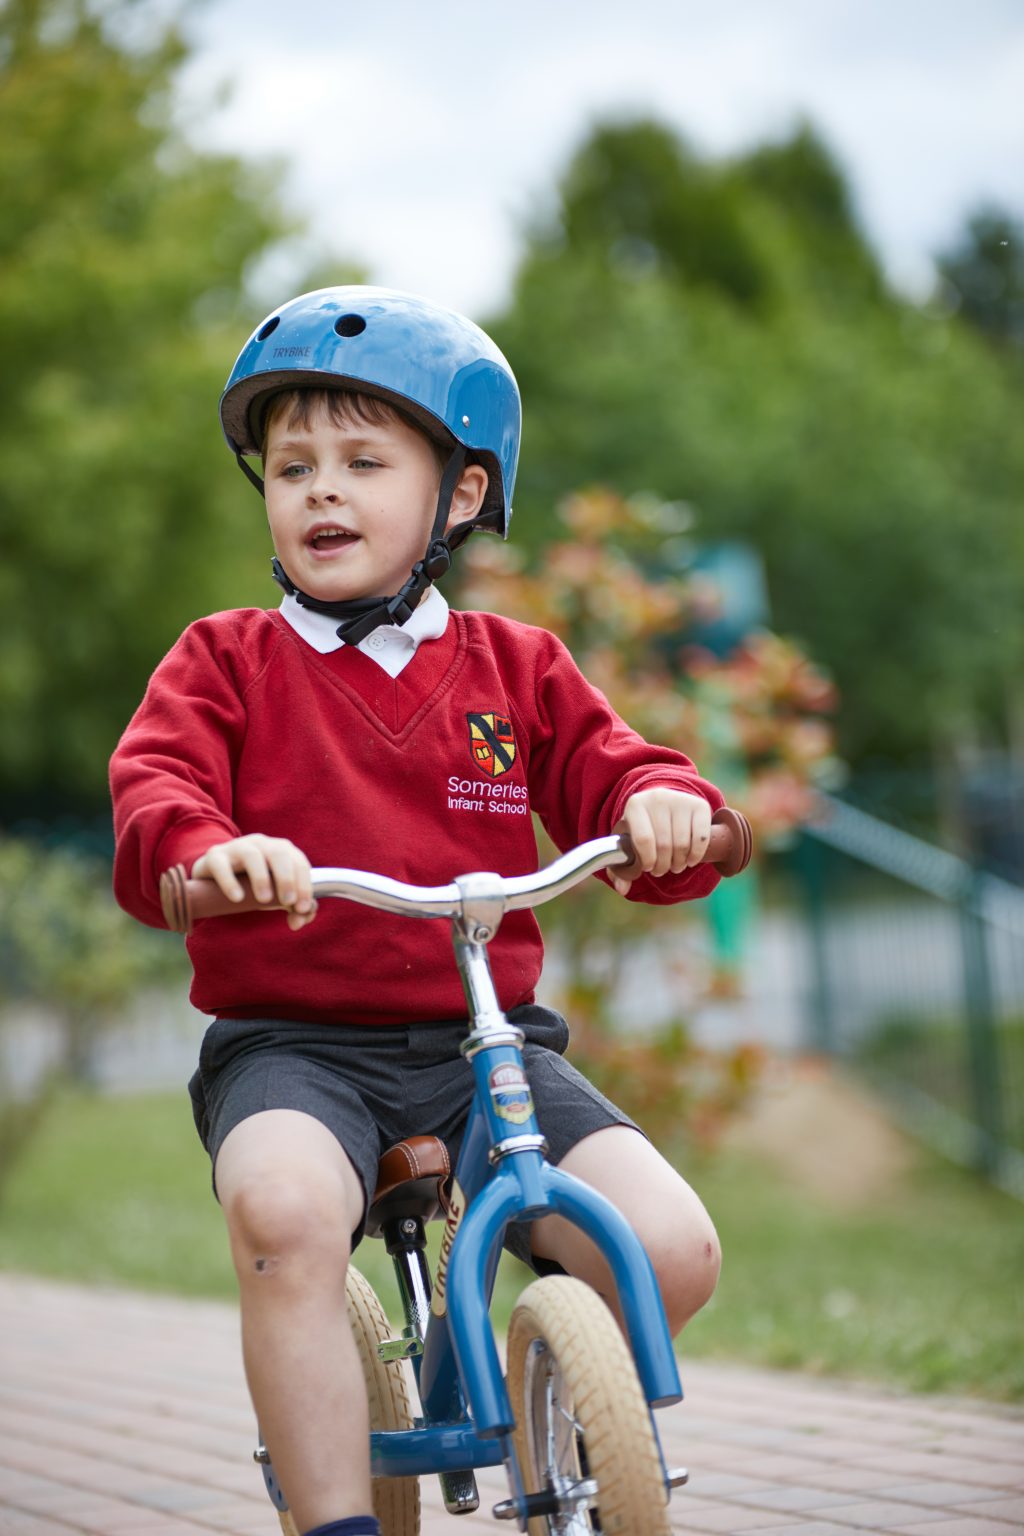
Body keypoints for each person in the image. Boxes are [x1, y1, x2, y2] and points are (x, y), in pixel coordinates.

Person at [110, 286, 724, 1536]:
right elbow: (156, 791)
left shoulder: (517, 669)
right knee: (282, 1214)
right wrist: (208, 850)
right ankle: (335, 1514)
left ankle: (546, 1372)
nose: (320, 492)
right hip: (295, 1047)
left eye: (362, 462)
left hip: (485, 1042)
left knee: (669, 1249)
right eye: (292, 467)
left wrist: (666, 806)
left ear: (458, 495)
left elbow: (624, 778)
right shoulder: (226, 659)